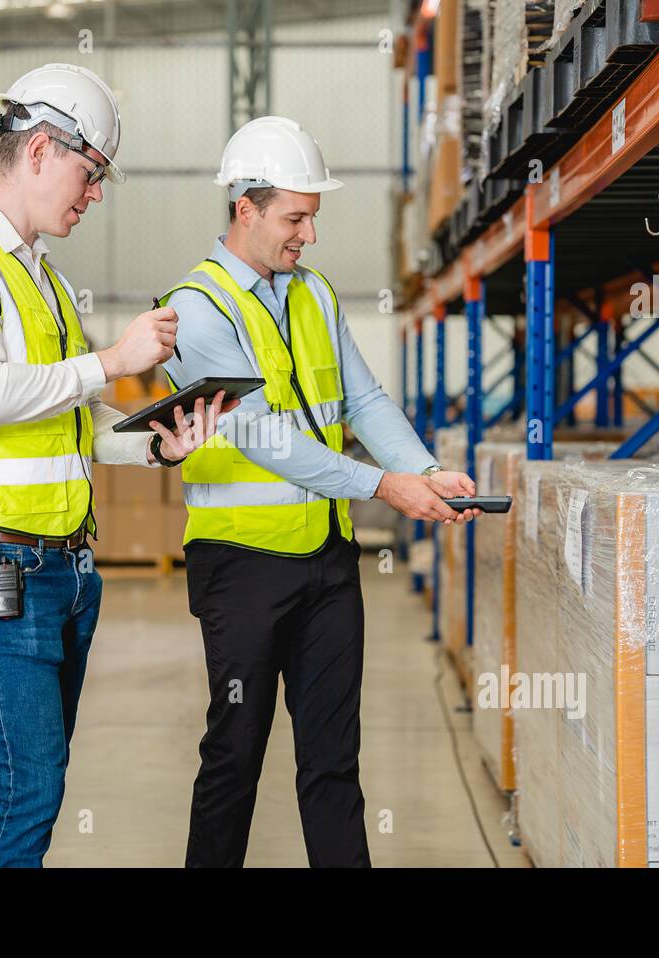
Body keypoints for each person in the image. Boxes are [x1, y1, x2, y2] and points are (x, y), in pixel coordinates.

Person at [0, 62, 233, 868]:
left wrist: (156, 443)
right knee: (29, 786)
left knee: (39, 780)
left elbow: (67, 418)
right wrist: (114, 358)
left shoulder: (41, 276)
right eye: (92, 172)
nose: (96, 194)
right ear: (42, 149)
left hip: (58, 569)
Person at [159, 116, 480, 868]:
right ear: (245, 208)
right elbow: (267, 438)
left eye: (313, 216)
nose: (308, 234)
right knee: (235, 756)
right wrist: (385, 486)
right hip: (240, 567)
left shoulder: (313, 294)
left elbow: (365, 403)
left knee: (334, 761)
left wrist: (425, 470)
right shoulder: (197, 310)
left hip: (328, 562)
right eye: (295, 217)